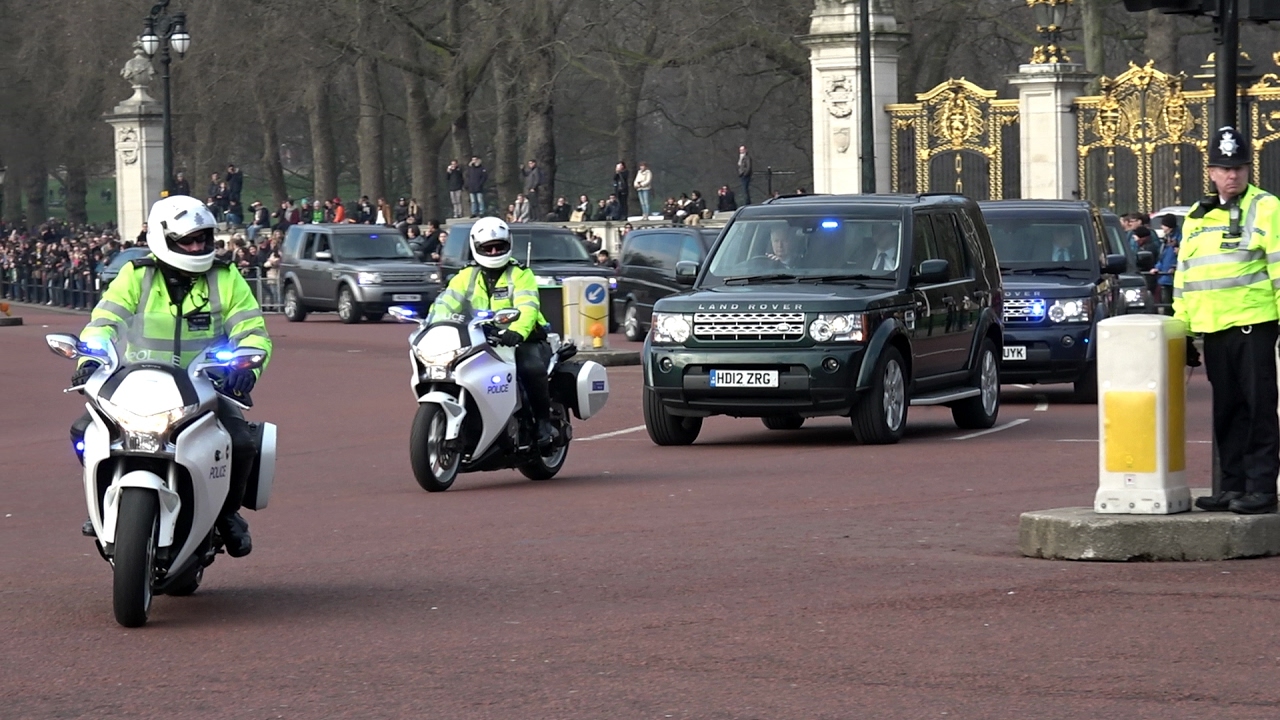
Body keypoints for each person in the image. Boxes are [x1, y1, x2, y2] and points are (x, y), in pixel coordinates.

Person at [69, 195, 272, 555]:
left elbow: (253, 332)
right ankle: (101, 500)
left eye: (203, 239)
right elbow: (104, 321)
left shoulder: (226, 278)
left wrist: (246, 368)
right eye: (187, 241)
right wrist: (89, 357)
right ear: (164, 240)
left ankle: (227, 514)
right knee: (83, 432)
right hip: (134, 384)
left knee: (241, 444)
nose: (197, 247)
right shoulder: (136, 276)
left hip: (205, 385)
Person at [1176, 126, 1280, 515]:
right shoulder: (1196, 214)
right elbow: (1185, 276)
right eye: (1224, 168)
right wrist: (1183, 329)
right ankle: (1231, 486)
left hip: (1254, 324)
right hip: (1214, 329)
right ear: (1211, 172)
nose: (1233, 175)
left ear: (1249, 170)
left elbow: (1278, 267)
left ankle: (1261, 488)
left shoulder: (1267, 207)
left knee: (1259, 410)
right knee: (1227, 412)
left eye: (1239, 167)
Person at [426, 217, 557, 446]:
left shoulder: (520, 274)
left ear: (509, 245)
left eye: (500, 246)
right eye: (488, 247)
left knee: (529, 366)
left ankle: (543, 423)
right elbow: (445, 302)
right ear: (477, 248)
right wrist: (433, 325)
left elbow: (528, 307)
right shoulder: (466, 276)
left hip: (522, 338)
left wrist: (516, 331)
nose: (494, 251)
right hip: (480, 337)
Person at [1150, 215, 1179, 314]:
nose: (1162, 227)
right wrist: (1157, 268)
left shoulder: (1179, 239)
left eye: (1163, 225)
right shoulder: (1167, 239)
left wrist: (1174, 267)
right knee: (1167, 306)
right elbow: (1162, 257)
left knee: (1173, 305)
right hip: (1165, 276)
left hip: (1173, 277)